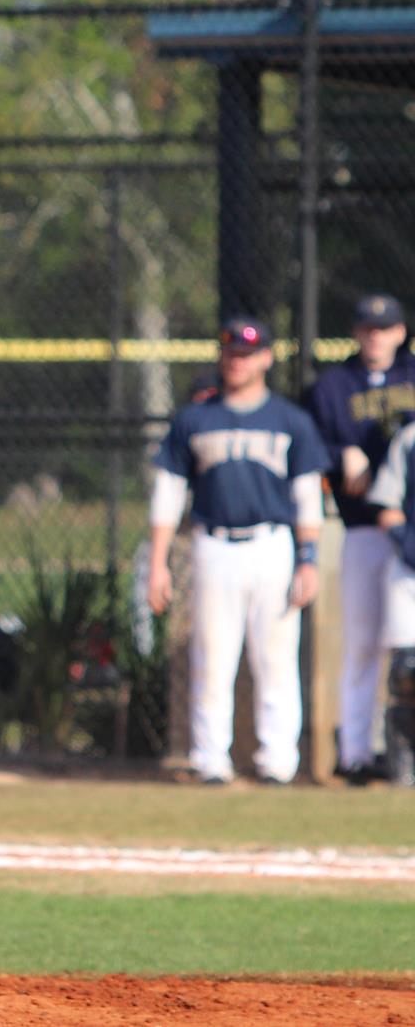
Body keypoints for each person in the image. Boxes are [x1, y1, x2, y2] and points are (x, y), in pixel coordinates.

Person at [147, 316, 329, 786]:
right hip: (214, 544)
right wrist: (157, 562)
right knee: (213, 655)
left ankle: (278, 761)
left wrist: (309, 560)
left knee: (276, 658)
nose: (237, 361)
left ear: (266, 358)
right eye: (230, 353)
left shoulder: (289, 420)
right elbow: (168, 493)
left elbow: (308, 496)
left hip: (273, 544)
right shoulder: (196, 418)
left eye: (247, 354)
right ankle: (210, 759)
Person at [305, 292, 415, 785]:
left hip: (406, 530)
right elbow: (308, 440)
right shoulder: (332, 385)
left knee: (406, 655)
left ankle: (399, 754)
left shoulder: (412, 375)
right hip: (365, 531)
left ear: (400, 331)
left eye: (384, 328)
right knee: (363, 644)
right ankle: (355, 753)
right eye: (367, 328)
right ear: (356, 333)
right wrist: (342, 452)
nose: (375, 336)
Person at [360, 403, 415, 787]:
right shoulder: (410, 439)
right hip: (409, 571)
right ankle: (405, 769)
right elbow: (387, 507)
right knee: (407, 671)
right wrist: (407, 544)